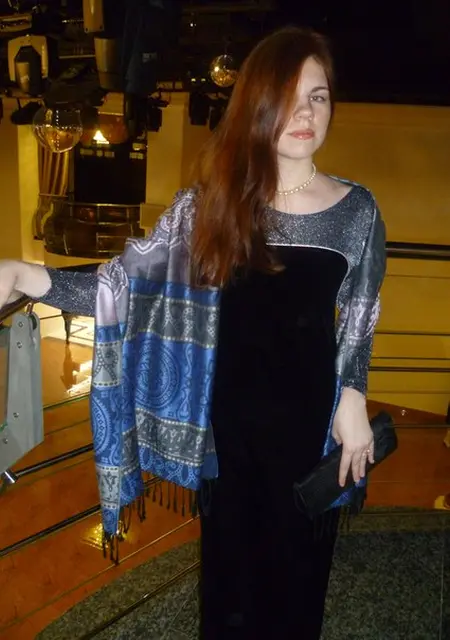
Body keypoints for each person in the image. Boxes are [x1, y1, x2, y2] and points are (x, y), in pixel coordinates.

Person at [0, 27, 386, 640]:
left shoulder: (356, 210)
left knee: (297, 588)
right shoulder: (210, 206)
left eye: (318, 97)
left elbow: (360, 317)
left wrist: (355, 397)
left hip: (308, 430)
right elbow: (123, 286)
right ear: (257, 105)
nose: (305, 114)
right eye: (287, 98)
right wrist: (28, 276)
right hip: (223, 434)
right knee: (229, 592)